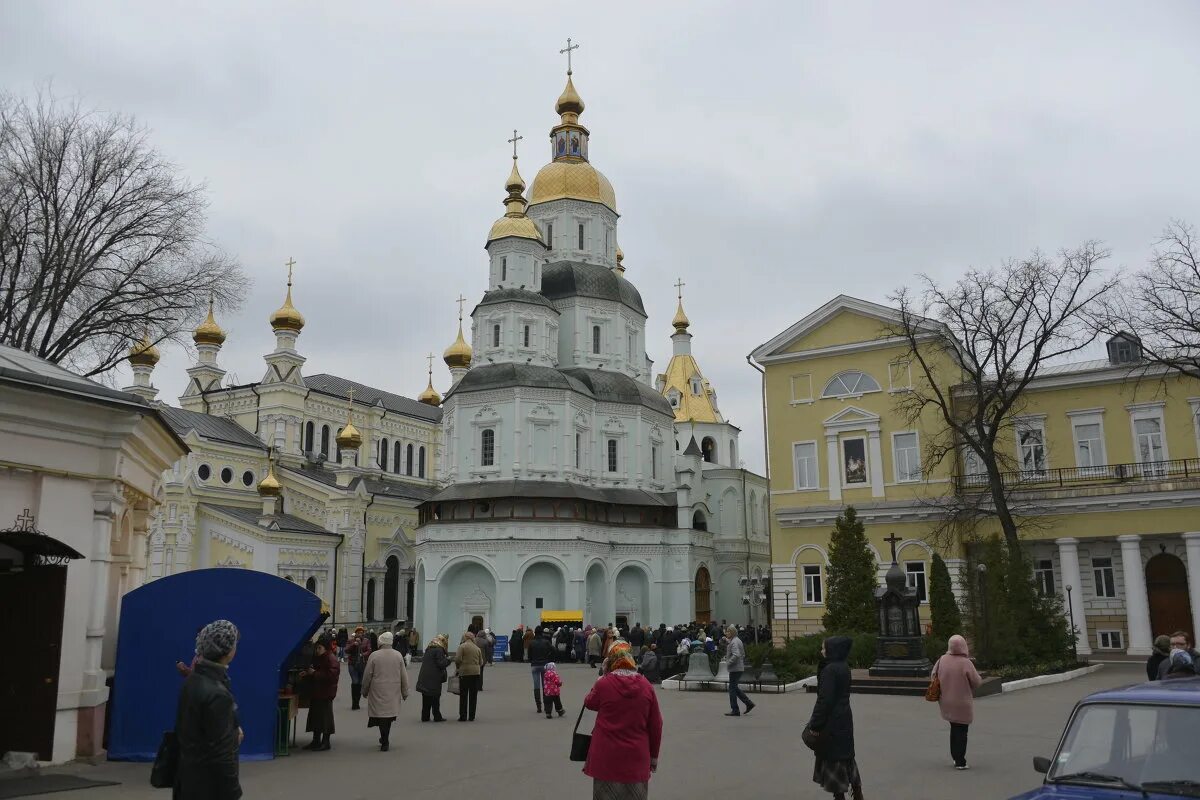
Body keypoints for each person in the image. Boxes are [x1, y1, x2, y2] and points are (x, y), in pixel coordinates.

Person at [583, 642, 663, 799]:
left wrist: (602, 675)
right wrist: (653, 757)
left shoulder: (604, 684)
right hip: (636, 758)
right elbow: (656, 724)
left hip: (605, 757)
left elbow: (589, 703)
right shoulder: (646, 686)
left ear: (611, 660)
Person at [174, 619, 242, 800]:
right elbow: (222, 754)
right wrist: (233, 791)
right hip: (210, 787)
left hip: (188, 778)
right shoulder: (218, 694)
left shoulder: (192, 681)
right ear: (228, 651)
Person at [807, 636, 863, 800]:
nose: (822, 651)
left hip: (831, 723)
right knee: (846, 758)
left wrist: (815, 726)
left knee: (834, 761)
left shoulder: (830, 670)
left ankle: (840, 797)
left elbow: (824, 700)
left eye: (824, 648)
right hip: (844, 718)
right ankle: (858, 793)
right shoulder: (843, 666)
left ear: (833, 650)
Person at [934, 635, 982, 770]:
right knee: (961, 731)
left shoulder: (942, 660)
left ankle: (955, 757)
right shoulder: (966, 663)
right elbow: (977, 682)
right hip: (962, 702)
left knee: (954, 729)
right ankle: (960, 761)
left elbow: (933, 675)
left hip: (946, 700)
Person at [360, 631, 409, 752]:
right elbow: (404, 675)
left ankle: (384, 739)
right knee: (388, 716)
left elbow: (367, 675)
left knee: (381, 716)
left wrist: (364, 690)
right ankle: (385, 739)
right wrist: (405, 691)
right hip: (393, 690)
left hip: (377, 690)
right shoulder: (398, 655)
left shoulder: (374, 655)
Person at [300, 637, 340, 751]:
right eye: (316, 648)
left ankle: (325, 742)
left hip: (325, 693)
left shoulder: (330, 658)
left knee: (325, 718)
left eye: (319, 648)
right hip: (318, 692)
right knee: (316, 717)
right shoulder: (321, 657)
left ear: (325, 648)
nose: (317, 650)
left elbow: (331, 676)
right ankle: (316, 740)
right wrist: (308, 674)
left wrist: (314, 673)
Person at [417, 634, 450, 722]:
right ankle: (437, 716)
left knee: (426, 698)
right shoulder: (439, 650)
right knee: (435, 698)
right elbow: (441, 663)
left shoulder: (429, 649)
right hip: (434, 677)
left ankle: (425, 716)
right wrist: (448, 660)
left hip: (424, 676)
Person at [723, 625, 756, 717]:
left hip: (735, 668)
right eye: (726, 632)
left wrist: (729, 662)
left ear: (732, 632)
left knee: (732, 689)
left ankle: (735, 710)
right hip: (738, 667)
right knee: (734, 688)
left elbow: (736, 654)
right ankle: (749, 703)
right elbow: (742, 654)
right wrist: (726, 640)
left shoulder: (734, 642)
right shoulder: (736, 640)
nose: (726, 633)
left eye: (728, 632)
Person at [454, 631, 483, 722]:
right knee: (473, 695)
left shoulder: (462, 646)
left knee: (463, 695)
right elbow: (481, 662)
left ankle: (463, 716)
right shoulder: (477, 648)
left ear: (465, 638)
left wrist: (458, 667)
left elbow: (458, 659)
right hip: (475, 673)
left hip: (464, 673)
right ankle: (471, 716)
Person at [528, 627, 555, 714]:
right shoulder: (546, 642)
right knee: (545, 686)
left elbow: (529, 656)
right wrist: (547, 656)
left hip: (534, 665)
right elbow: (554, 650)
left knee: (536, 687)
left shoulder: (531, 643)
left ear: (535, 633)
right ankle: (546, 705)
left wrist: (532, 659)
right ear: (542, 633)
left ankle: (538, 706)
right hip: (544, 664)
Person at [345, 634, 365, 710]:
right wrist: (353, 645)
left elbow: (369, 650)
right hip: (352, 664)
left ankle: (357, 702)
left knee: (360, 683)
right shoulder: (350, 642)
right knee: (355, 681)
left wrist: (362, 654)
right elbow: (346, 650)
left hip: (362, 665)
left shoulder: (366, 641)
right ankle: (354, 703)